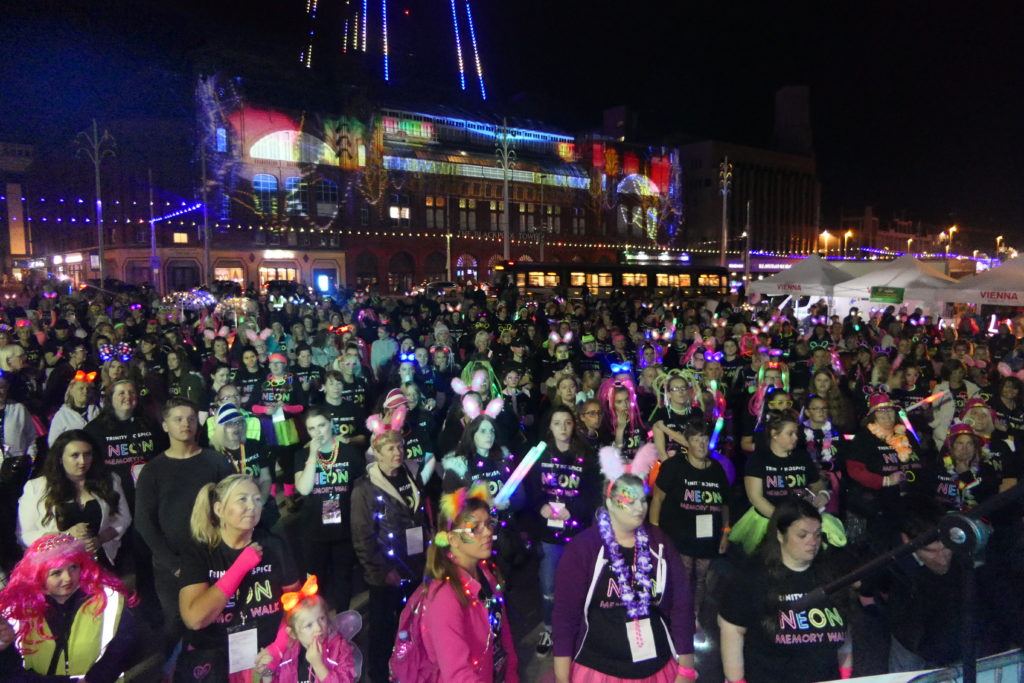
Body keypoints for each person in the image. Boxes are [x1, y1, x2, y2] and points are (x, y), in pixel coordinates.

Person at [552, 444, 696, 683]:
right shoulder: (583, 548)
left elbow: (681, 605)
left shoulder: (659, 543)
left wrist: (687, 668)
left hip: (656, 667)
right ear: (609, 503)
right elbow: (565, 617)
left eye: (642, 500)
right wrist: (562, 677)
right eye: (629, 501)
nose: (639, 508)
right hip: (599, 669)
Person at [178, 474, 301, 682]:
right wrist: (240, 567)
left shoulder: (274, 545)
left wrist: (277, 649)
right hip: (216, 658)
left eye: (257, 499)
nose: (252, 506)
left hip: (266, 655)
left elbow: (297, 605)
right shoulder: (200, 552)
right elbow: (195, 619)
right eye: (242, 499)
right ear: (219, 510)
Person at [718, 497, 852, 683]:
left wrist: (845, 675)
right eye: (802, 535)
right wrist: (736, 680)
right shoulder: (752, 577)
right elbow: (732, 630)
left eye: (817, 534)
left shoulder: (831, 574)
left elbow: (844, 630)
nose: (812, 542)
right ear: (780, 535)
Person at [135, 398, 234, 638]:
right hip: (173, 567)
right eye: (178, 419)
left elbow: (232, 507)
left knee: (222, 621)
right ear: (165, 425)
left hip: (215, 558)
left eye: (190, 419)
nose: (185, 424)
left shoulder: (216, 462)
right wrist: (174, 564)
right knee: (178, 628)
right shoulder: (153, 471)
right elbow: (144, 522)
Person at [350, 415, 429, 683]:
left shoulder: (410, 473)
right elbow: (362, 537)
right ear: (377, 453)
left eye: (400, 447)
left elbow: (420, 515)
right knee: (383, 628)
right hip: (387, 571)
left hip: (416, 562)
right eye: (390, 449)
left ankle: (411, 667)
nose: (398, 452)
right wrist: (383, 571)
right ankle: (380, 674)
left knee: (413, 621)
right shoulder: (365, 488)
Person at [0, 533, 139, 681]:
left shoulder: (108, 599)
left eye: (73, 567)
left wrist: (94, 679)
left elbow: (123, 646)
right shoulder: (19, 610)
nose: (67, 578)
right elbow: (10, 672)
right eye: (56, 573)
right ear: (38, 577)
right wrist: (5, 648)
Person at [420, 485, 519, 682]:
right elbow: (457, 674)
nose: (488, 532)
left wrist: (512, 675)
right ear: (452, 539)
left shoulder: (487, 574)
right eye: (474, 528)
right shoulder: (444, 596)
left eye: (488, 524)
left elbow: (504, 637)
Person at [528, 406, 600, 656]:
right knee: (549, 586)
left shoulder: (586, 456)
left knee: (578, 584)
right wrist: (541, 506)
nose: (562, 428)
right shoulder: (539, 454)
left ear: (574, 425)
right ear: (550, 426)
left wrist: (573, 508)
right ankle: (549, 628)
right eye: (557, 423)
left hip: (577, 532)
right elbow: (531, 489)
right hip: (549, 533)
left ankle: (576, 629)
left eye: (567, 423)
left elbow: (592, 494)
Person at [649, 420, 730, 638]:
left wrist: (725, 532)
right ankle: (678, 616)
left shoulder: (717, 469)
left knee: (702, 577)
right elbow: (657, 499)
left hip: (707, 535)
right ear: (687, 443)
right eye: (695, 439)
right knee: (682, 575)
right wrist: (655, 531)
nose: (701, 444)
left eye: (704, 438)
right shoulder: (674, 466)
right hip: (679, 533)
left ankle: (694, 616)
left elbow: (724, 504)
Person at [18, 430, 131, 567]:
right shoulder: (36, 487)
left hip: (99, 562)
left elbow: (124, 518)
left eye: (87, 454)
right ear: (60, 458)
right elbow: (25, 535)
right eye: (75, 456)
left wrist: (100, 539)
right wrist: (63, 536)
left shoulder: (109, 480)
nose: (82, 461)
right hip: (56, 566)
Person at [730, 411, 835, 555]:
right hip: (769, 521)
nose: (795, 437)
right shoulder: (759, 459)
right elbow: (756, 497)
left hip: (800, 521)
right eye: (790, 433)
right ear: (774, 434)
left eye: (796, 433)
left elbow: (817, 485)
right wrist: (784, 521)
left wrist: (823, 494)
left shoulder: (802, 457)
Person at [295, 407, 365, 616]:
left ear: (330, 424)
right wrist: (312, 457)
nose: (318, 432)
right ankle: (318, 623)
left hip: (343, 527)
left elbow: (361, 488)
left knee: (343, 577)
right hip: (314, 529)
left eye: (322, 425)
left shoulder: (350, 452)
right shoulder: (302, 454)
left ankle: (343, 620)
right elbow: (304, 488)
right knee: (316, 580)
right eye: (312, 428)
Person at [253, 575, 359, 682]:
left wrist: (318, 665)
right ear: (292, 634)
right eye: (309, 625)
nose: (318, 628)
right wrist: (267, 674)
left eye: (321, 618)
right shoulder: (287, 654)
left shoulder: (340, 649)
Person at [48, 369, 101, 447]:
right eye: (81, 388)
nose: (85, 391)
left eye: (88, 389)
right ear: (72, 391)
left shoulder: (97, 411)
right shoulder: (62, 415)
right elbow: (53, 442)